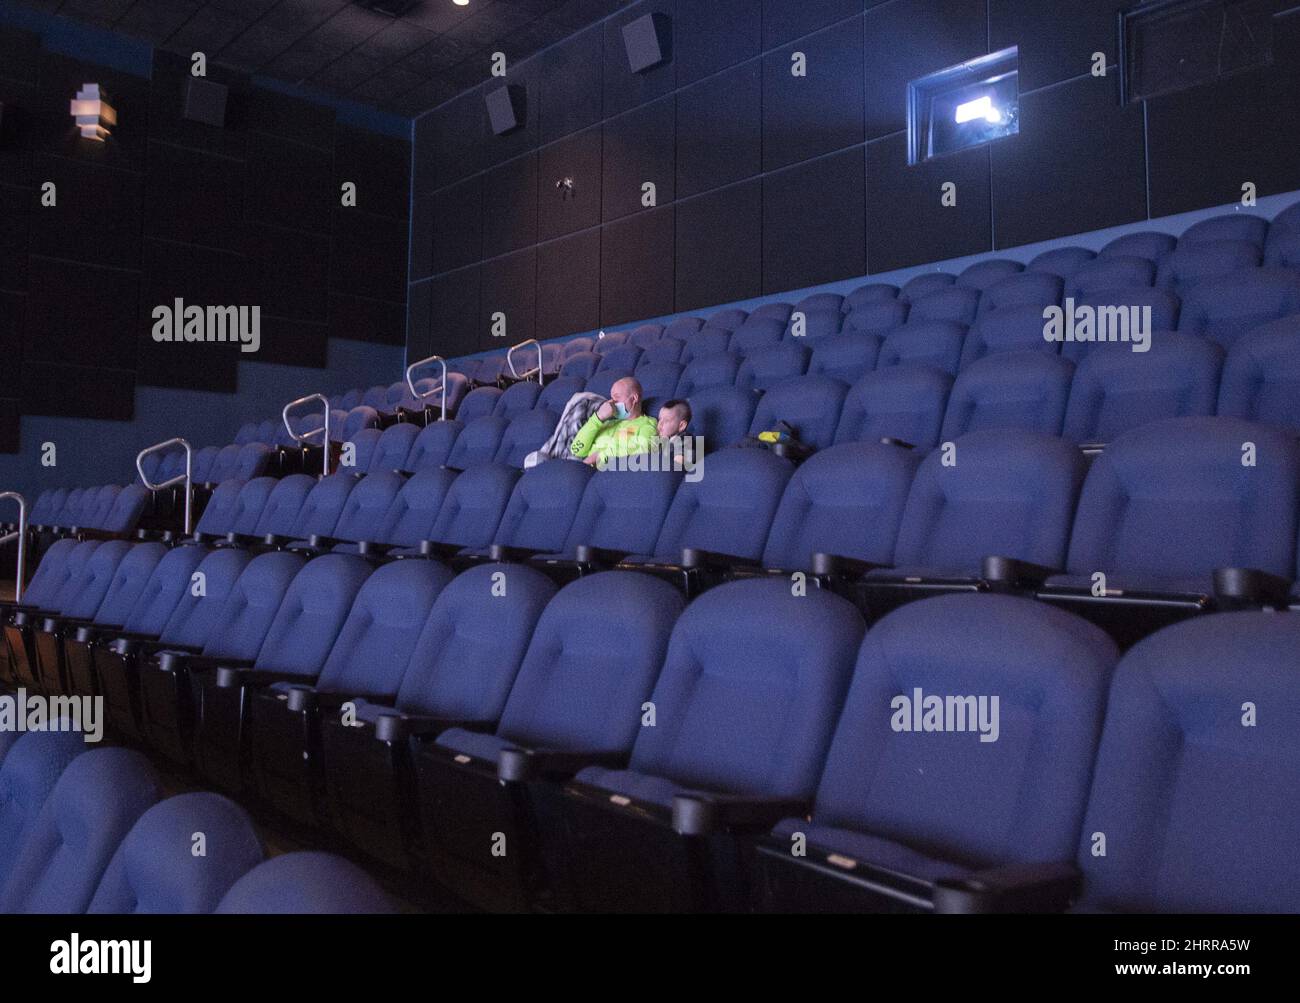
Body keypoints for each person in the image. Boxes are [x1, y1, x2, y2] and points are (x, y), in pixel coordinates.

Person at [570, 377, 658, 467]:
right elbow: (576, 450)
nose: (611, 402)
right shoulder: (606, 423)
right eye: (611, 398)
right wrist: (597, 418)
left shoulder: (648, 424)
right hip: (585, 472)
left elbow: (644, 452)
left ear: (634, 399)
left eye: (617, 397)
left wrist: (601, 455)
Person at [656, 399, 694, 469]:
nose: (660, 424)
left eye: (666, 421)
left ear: (681, 426)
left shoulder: (685, 440)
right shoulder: (666, 439)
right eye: (659, 419)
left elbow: (676, 469)